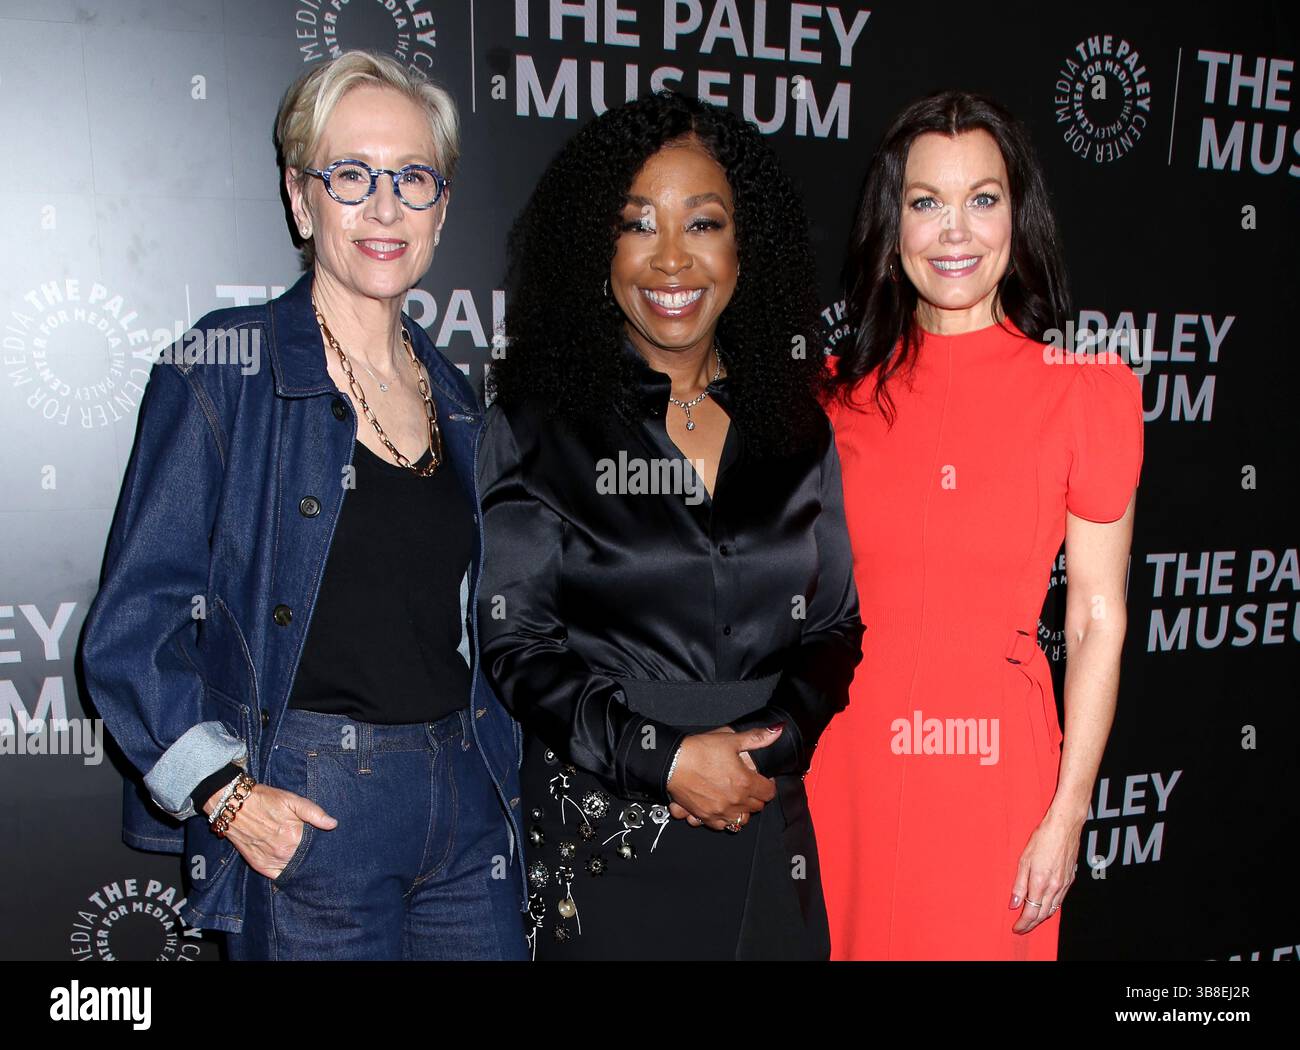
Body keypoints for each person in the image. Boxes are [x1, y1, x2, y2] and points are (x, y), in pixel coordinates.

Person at [80, 50, 527, 960]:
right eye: (351, 175)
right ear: (299, 197)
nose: (385, 206)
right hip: (316, 813)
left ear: (442, 206)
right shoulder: (223, 371)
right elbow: (130, 630)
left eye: (412, 177)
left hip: (465, 803)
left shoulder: (464, 402)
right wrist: (227, 795)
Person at [477, 90, 864, 960]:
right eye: (637, 224)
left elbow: (835, 624)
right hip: (607, 830)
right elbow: (519, 646)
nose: (671, 260)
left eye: (703, 224)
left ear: (743, 248)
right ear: (596, 249)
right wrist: (665, 760)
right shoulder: (539, 425)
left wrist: (773, 747)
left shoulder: (797, 427)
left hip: (764, 823)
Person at [809, 90, 1143, 960]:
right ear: (891, 229)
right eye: (926, 202)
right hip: (848, 766)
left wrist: (1069, 811)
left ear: (1017, 218)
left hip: (1000, 773)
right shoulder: (832, 397)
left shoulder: (1084, 390)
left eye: (982, 199)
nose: (955, 231)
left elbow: (1096, 618)